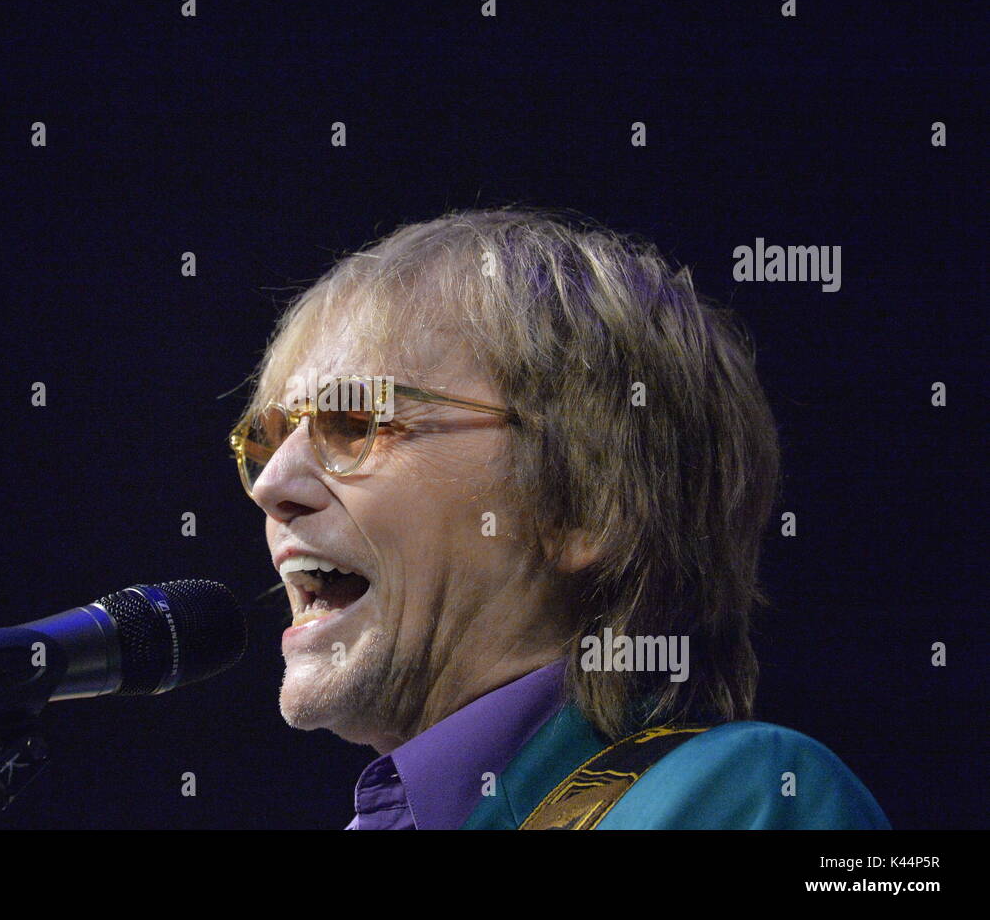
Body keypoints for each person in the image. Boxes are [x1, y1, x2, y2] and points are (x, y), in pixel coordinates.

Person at [228, 207, 889, 829]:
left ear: (583, 500)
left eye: (352, 423)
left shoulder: (747, 795)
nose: (274, 485)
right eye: (268, 439)